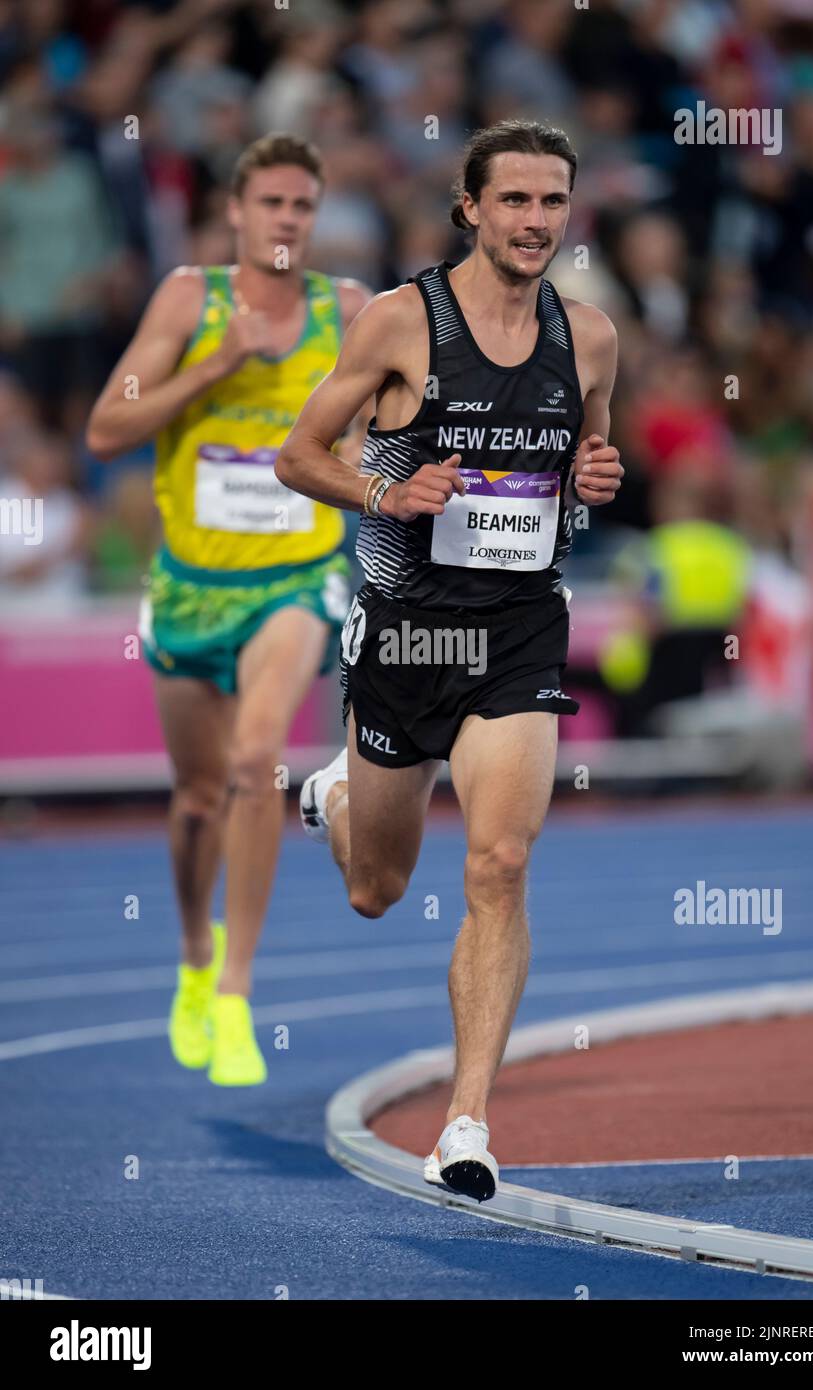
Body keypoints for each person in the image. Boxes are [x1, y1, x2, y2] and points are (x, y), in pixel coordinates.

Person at [276, 120, 623, 1201]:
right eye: (513, 200)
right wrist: (388, 490)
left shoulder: (593, 335)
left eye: (552, 201)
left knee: (500, 863)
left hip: (517, 631)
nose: (534, 221)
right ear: (470, 208)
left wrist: (595, 480)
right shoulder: (399, 323)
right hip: (407, 633)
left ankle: (467, 1121)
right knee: (378, 888)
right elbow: (297, 455)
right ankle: (337, 797)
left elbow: (587, 460)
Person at [86, 133, 371, 1086]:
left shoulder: (349, 310)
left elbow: (386, 433)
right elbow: (106, 428)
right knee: (197, 799)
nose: (287, 220)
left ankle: (241, 992)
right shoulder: (188, 299)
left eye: (303, 205)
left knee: (258, 761)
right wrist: (216, 365)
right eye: (272, 204)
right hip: (190, 587)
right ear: (236, 214)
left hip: (297, 577)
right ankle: (195, 960)